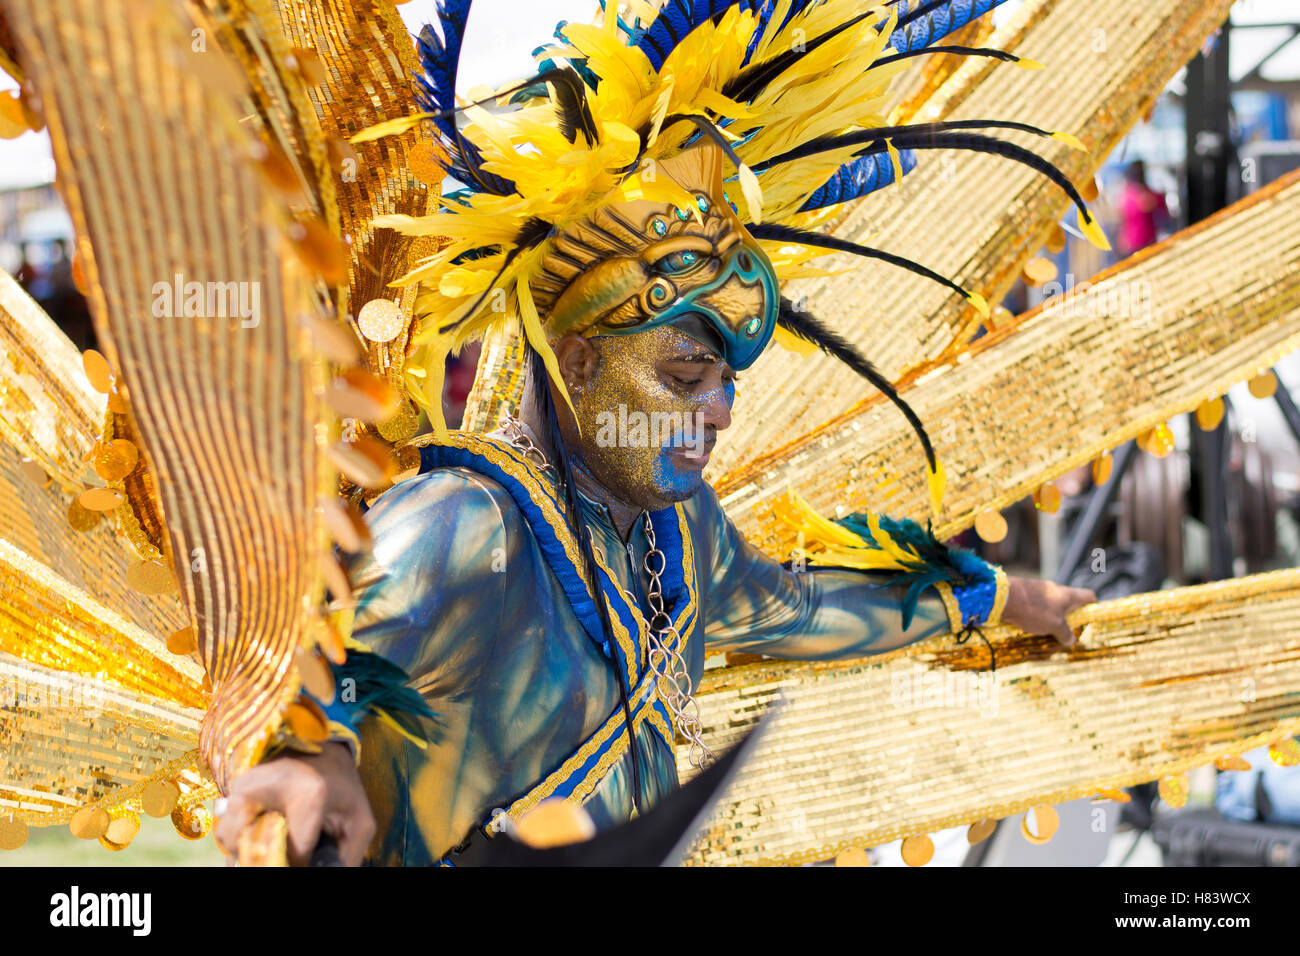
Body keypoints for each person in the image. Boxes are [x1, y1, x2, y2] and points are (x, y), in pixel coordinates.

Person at [214, 0, 1101, 866]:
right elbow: (298, 660)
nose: (715, 412)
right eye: (684, 378)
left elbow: (799, 610)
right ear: (581, 363)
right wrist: (309, 759)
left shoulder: (684, 532)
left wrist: (995, 599)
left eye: (725, 386)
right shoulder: (463, 526)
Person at [1118, 160, 1170, 257]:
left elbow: (1158, 205)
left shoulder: (1142, 192)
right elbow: (1142, 206)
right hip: (1134, 242)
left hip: (1148, 241)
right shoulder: (1129, 193)